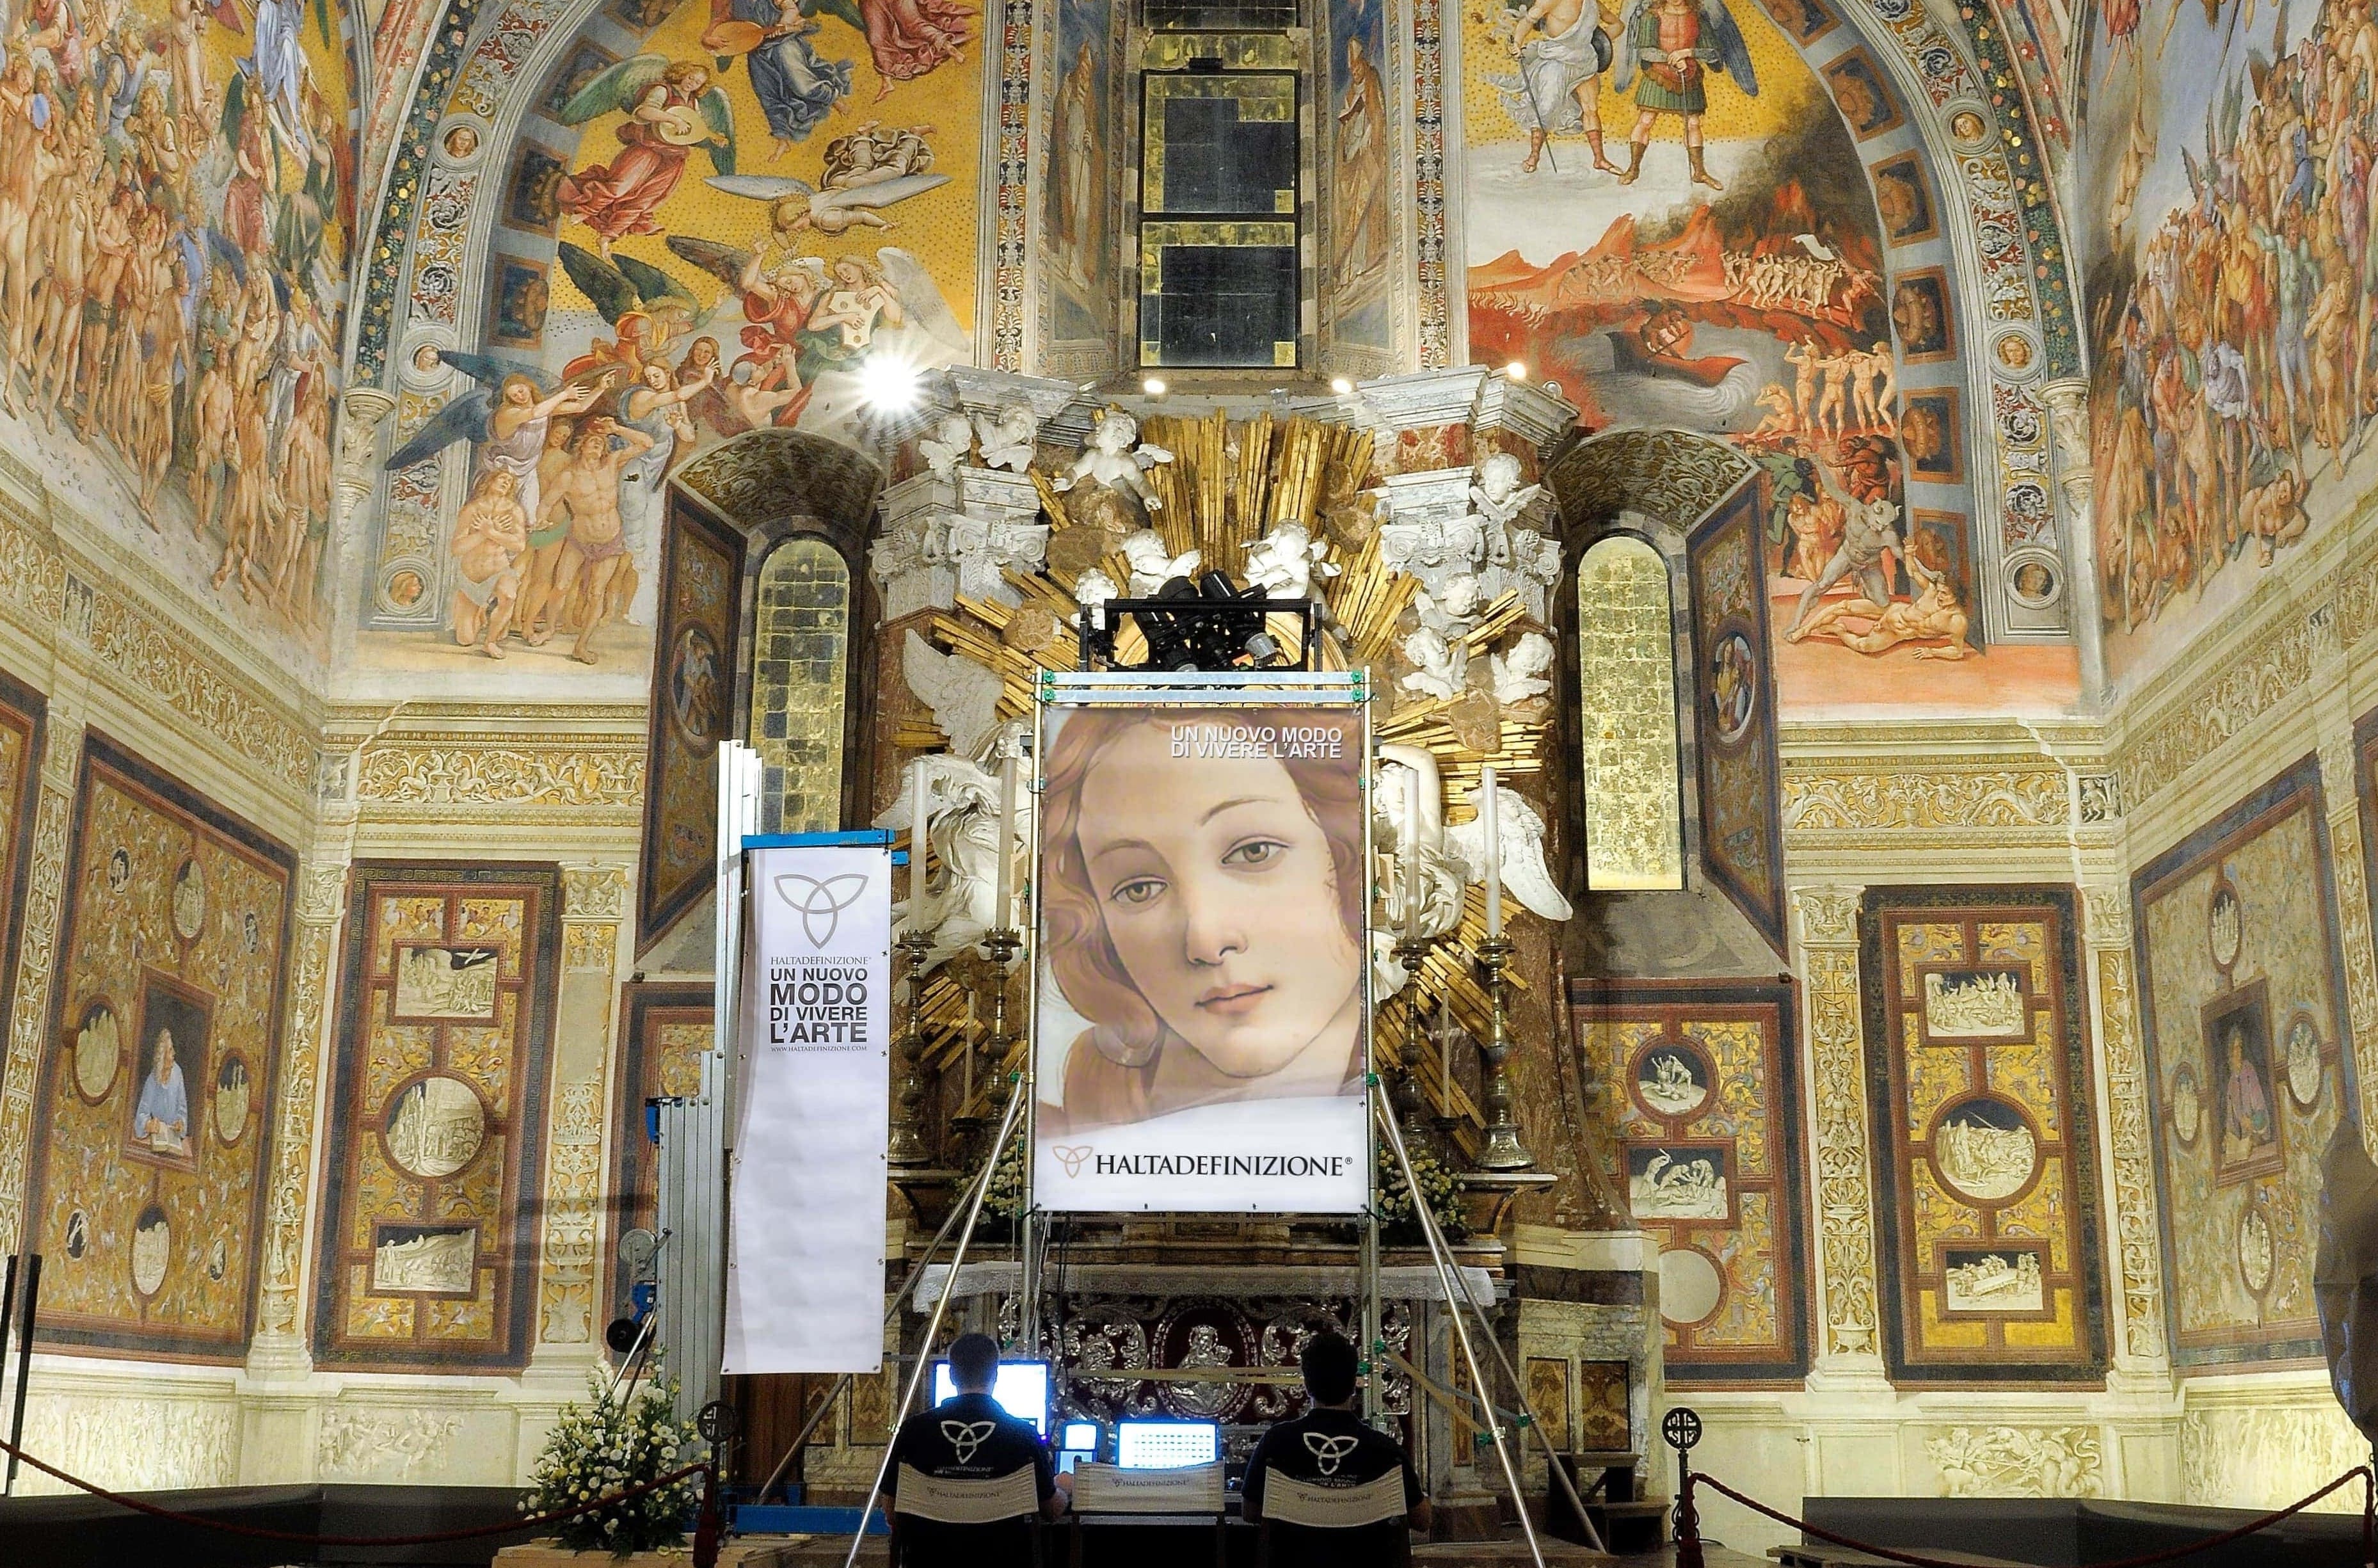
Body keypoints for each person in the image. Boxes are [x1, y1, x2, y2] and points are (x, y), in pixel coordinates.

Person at [1036, 707, 1366, 1132]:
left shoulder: (1386, 1102)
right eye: (1139, 889)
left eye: (1254, 852)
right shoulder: (1074, 1130)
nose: (1205, 941)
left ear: (1350, 856)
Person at [1242, 1331, 1429, 1565]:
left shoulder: (1275, 1443)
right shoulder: (1386, 1451)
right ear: (1353, 1385)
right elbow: (1422, 1520)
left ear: (1307, 1385)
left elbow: (1249, 1512)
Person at [881, 1332, 1067, 1566]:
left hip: (928, 1560)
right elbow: (1051, 1510)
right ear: (995, 1375)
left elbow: (892, 1511)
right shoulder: (1023, 1436)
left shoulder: (912, 1432)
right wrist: (1063, 1487)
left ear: (951, 1375)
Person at [133, 1028, 189, 1151]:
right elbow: (142, 1113)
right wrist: (149, 1125)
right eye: (170, 1050)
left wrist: (180, 1122)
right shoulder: (153, 1079)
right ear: (162, 1056)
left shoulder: (178, 1073)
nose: (174, 1053)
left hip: (173, 1136)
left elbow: (182, 1109)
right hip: (158, 1137)